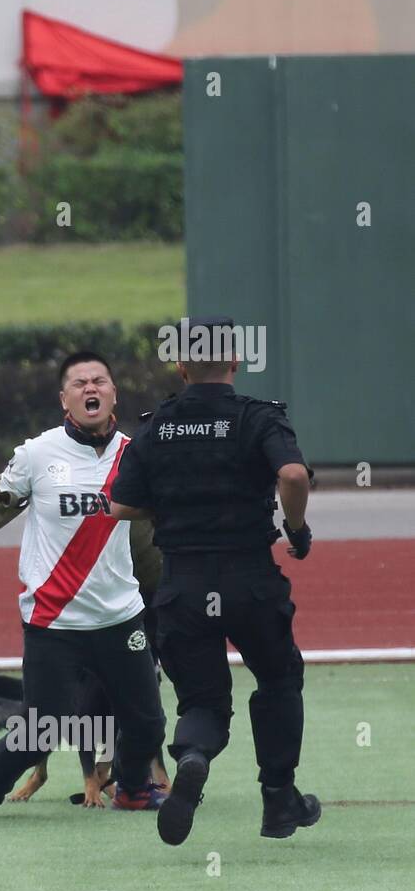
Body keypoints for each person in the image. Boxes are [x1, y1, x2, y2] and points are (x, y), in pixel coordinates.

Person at [109, 319, 319, 845]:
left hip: (183, 584)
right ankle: (278, 803)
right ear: (236, 362)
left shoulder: (156, 426)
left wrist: (172, 506)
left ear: (180, 367)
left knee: (202, 702)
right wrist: (296, 528)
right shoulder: (258, 418)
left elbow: (119, 505)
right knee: (277, 681)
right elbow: (293, 476)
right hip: (250, 579)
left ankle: (195, 757)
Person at [0, 351, 168, 819]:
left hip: (120, 616)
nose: (92, 388)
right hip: (53, 619)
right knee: (43, 727)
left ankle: (131, 789)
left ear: (114, 394)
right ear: (64, 398)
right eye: (80, 383)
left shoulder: (137, 455)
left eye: (100, 381)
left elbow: (166, 514)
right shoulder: (36, 453)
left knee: (148, 724)